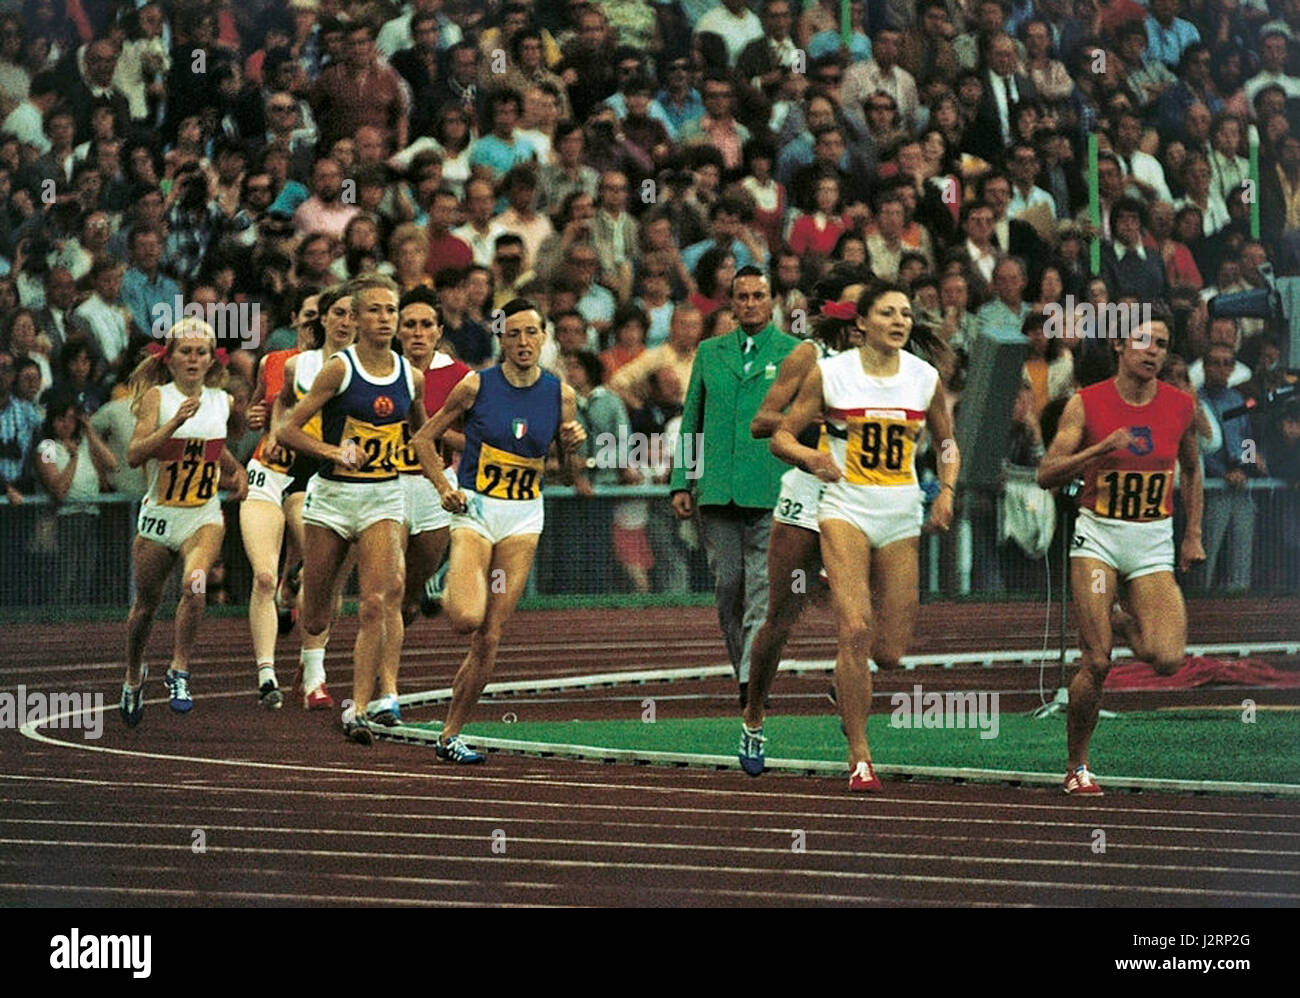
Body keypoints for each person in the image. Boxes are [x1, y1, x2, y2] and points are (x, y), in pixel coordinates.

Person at [770, 280, 957, 792]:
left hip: (900, 515)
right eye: (888, 313)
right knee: (854, 627)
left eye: (906, 314)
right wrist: (811, 456)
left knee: (890, 652)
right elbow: (782, 434)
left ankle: (848, 688)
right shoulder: (831, 374)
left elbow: (946, 442)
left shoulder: (923, 378)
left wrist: (946, 490)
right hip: (844, 509)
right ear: (862, 324)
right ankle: (860, 755)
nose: (899, 321)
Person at [1037, 308, 1205, 795]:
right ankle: (1077, 766)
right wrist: (1099, 449)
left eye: (1161, 343)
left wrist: (1192, 533)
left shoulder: (1180, 405)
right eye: (1143, 340)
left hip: (1153, 541)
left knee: (1168, 658)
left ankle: (1121, 617)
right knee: (1098, 661)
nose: (1153, 350)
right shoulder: (1085, 405)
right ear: (1118, 346)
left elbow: (1193, 471)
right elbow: (1047, 474)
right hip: (1099, 540)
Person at [409, 298, 585, 763]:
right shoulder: (475, 385)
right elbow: (422, 439)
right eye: (514, 334)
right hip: (477, 510)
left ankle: (450, 734)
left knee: (489, 635)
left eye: (532, 333)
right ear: (501, 339)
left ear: (544, 338)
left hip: (525, 515)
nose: (523, 342)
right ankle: (441, 580)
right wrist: (444, 486)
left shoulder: (560, 395)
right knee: (465, 617)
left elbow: (568, 475)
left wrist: (571, 449)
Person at [277, 274, 425, 744]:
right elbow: (287, 431)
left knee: (376, 603)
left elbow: (420, 436)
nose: (385, 319)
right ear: (356, 319)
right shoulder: (338, 370)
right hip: (333, 499)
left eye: (390, 310)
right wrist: (333, 451)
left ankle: (358, 708)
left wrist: (443, 483)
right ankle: (299, 605)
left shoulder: (411, 376)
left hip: (382, 496)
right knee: (319, 612)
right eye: (375, 311)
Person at [738, 272, 867, 774]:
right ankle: (753, 716)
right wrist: (819, 422)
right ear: (833, 311)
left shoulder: (885, 366)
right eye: (857, 310)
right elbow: (763, 421)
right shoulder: (808, 356)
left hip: (861, 494)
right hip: (807, 494)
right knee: (781, 617)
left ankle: (847, 683)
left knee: (871, 612)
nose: (865, 322)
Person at [670, 265, 801, 707]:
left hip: (771, 486)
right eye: (741, 296)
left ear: (772, 300)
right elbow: (692, 420)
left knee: (762, 588)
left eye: (758, 296)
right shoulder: (710, 352)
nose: (749, 303)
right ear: (731, 301)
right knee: (728, 585)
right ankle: (744, 669)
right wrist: (680, 482)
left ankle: (751, 684)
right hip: (718, 488)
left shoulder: (794, 351)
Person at [119, 319, 249, 727]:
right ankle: (133, 672)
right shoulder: (157, 398)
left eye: (201, 352)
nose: (193, 359)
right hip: (160, 516)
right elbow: (135, 455)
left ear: (213, 360)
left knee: (195, 583)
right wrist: (173, 422)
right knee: (145, 608)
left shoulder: (221, 401)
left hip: (202, 515)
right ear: (169, 358)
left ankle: (179, 668)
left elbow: (212, 449)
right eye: (185, 351)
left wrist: (237, 471)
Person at [270, 287, 358, 711]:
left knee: (333, 584)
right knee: (317, 559)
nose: (345, 322)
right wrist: (273, 432)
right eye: (338, 313)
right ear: (322, 319)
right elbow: (283, 405)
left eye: (352, 315)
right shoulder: (297, 365)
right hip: (306, 474)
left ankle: (311, 659)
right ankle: (315, 680)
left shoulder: (370, 366)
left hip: (355, 481)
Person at [239, 292, 320, 710]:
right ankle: (266, 674)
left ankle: (312, 667)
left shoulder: (341, 370)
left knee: (317, 569)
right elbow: (256, 409)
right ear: (295, 320)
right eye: (308, 319)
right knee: (264, 576)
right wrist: (254, 418)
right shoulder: (273, 361)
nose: (314, 328)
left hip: (311, 479)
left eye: (322, 320)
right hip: (267, 474)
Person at [394, 284, 470, 638]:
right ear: (397, 329)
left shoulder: (459, 376)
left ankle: (415, 595)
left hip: (434, 485)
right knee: (387, 586)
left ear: (439, 331)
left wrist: (430, 431)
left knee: (411, 588)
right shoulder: (378, 368)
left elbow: (476, 442)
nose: (418, 333)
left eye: (427, 325)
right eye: (410, 325)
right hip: (384, 482)